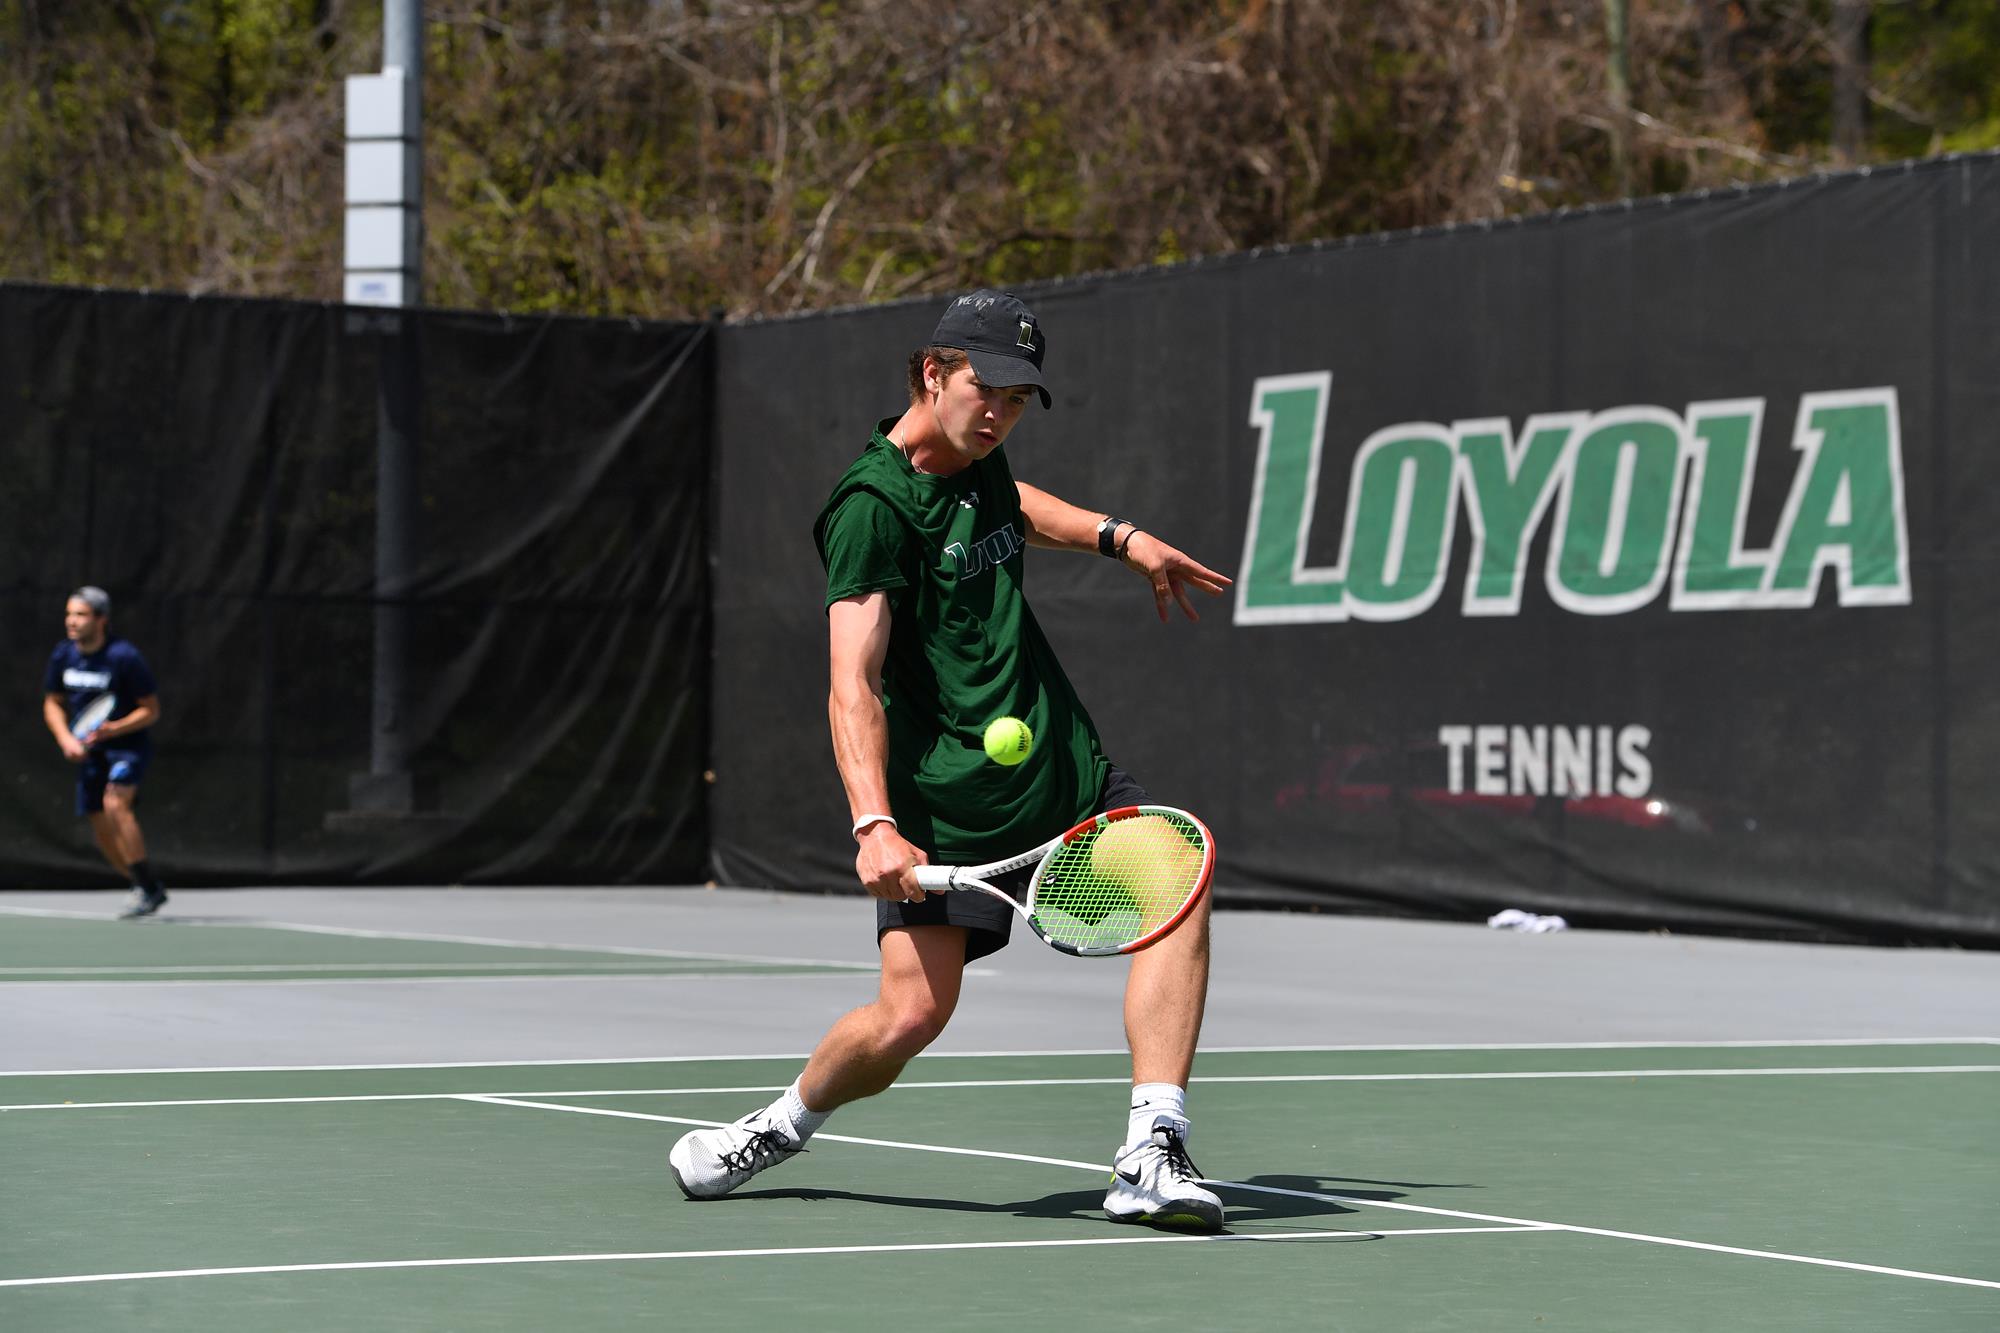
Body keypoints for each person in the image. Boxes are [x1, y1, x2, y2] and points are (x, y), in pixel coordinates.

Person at [670, 290, 1234, 1230]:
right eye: (989, 391)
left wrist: (1116, 536)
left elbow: (1019, 506)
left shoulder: (981, 459)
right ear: (932, 373)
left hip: (1065, 772)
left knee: (1180, 873)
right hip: (949, 809)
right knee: (908, 1018)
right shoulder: (870, 508)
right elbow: (853, 680)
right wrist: (873, 821)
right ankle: (780, 1124)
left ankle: (1152, 1146)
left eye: (1018, 400)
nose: (1002, 413)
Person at [41, 586, 169, 918]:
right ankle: (145, 885)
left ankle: (143, 886)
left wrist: (115, 729)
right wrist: (67, 740)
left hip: (126, 747)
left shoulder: (124, 657)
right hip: (89, 752)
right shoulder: (63, 655)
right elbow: (53, 702)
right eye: (69, 614)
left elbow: (151, 711)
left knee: (116, 802)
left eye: (81, 614)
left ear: (101, 620)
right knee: (100, 826)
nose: (72, 621)